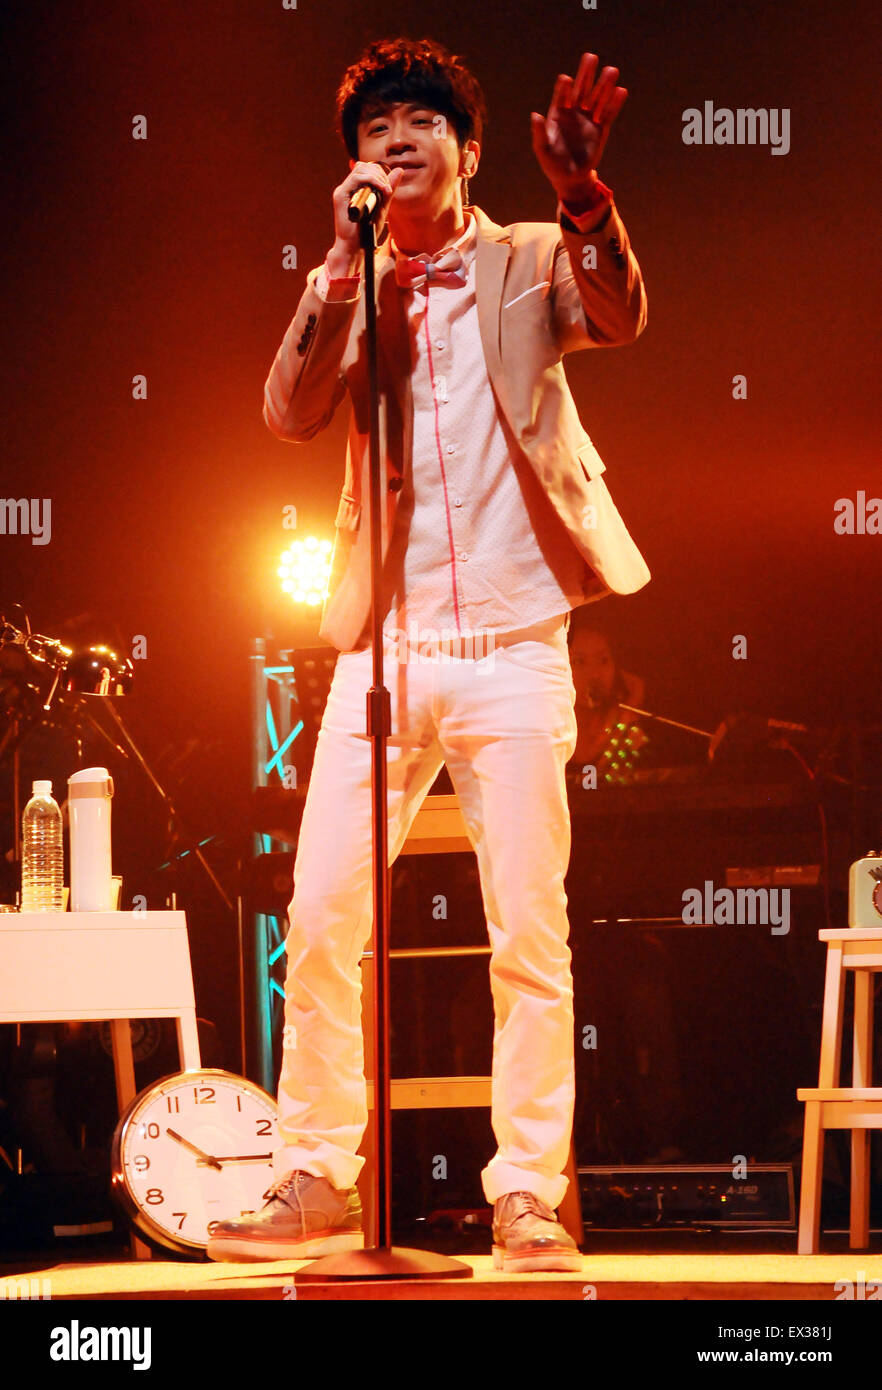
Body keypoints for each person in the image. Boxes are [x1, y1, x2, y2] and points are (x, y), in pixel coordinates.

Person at [208, 36, 649, 1273]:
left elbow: (616, 312)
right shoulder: (347, 278)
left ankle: (527, 1194)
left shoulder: (530, 258)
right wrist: (339, 283)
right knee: (323, 910)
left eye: (419, 124)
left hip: (512, 648)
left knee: (528, 932)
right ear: (356, 165)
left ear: (465, 149)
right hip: (384, 650)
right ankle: (313, 1177)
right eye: (373, 131)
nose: (394, 143)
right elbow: (287, 413)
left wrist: (584, 198)